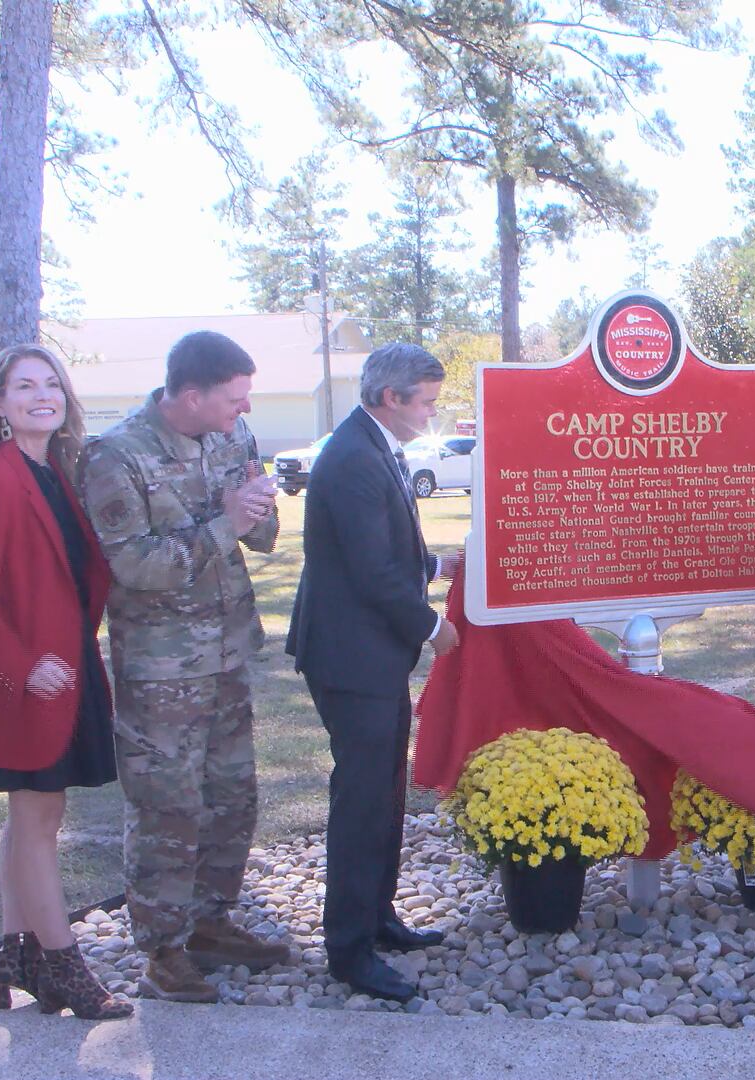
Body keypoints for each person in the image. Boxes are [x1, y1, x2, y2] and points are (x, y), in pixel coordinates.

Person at [80, 331, 284, 1003]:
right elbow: (136, 566)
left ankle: (210, 923)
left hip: (226, 653)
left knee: (233, 798)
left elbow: (261, 537)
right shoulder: (117, 456)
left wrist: (258, 514)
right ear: (190, 396)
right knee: (170, 809)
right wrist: (226, 522)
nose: (243, 409)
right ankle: (163, 952)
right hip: (161, 670)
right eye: (233, 399)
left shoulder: (232, 437)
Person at [0, 344, 132, 1021]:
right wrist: (24, 665)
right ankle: (62, 966)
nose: (40, 395)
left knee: (30, 818)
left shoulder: (55, 470)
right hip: (19, 682)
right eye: (24, 386)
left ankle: (15, 952)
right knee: (37, 820)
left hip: (66, 668)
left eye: (51, 383)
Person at [288, 344, 460, 1003]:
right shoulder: (354, 455)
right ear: (391, 398)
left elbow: (387, 550)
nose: (432, 412)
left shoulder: (370, 442)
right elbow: (370, 572)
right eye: (426, 401)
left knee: (384, 791)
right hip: (349, 655)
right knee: (362, 801)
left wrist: (434, 564)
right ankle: (350, 950)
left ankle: (379, 917)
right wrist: (432, 627)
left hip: (370, 654)